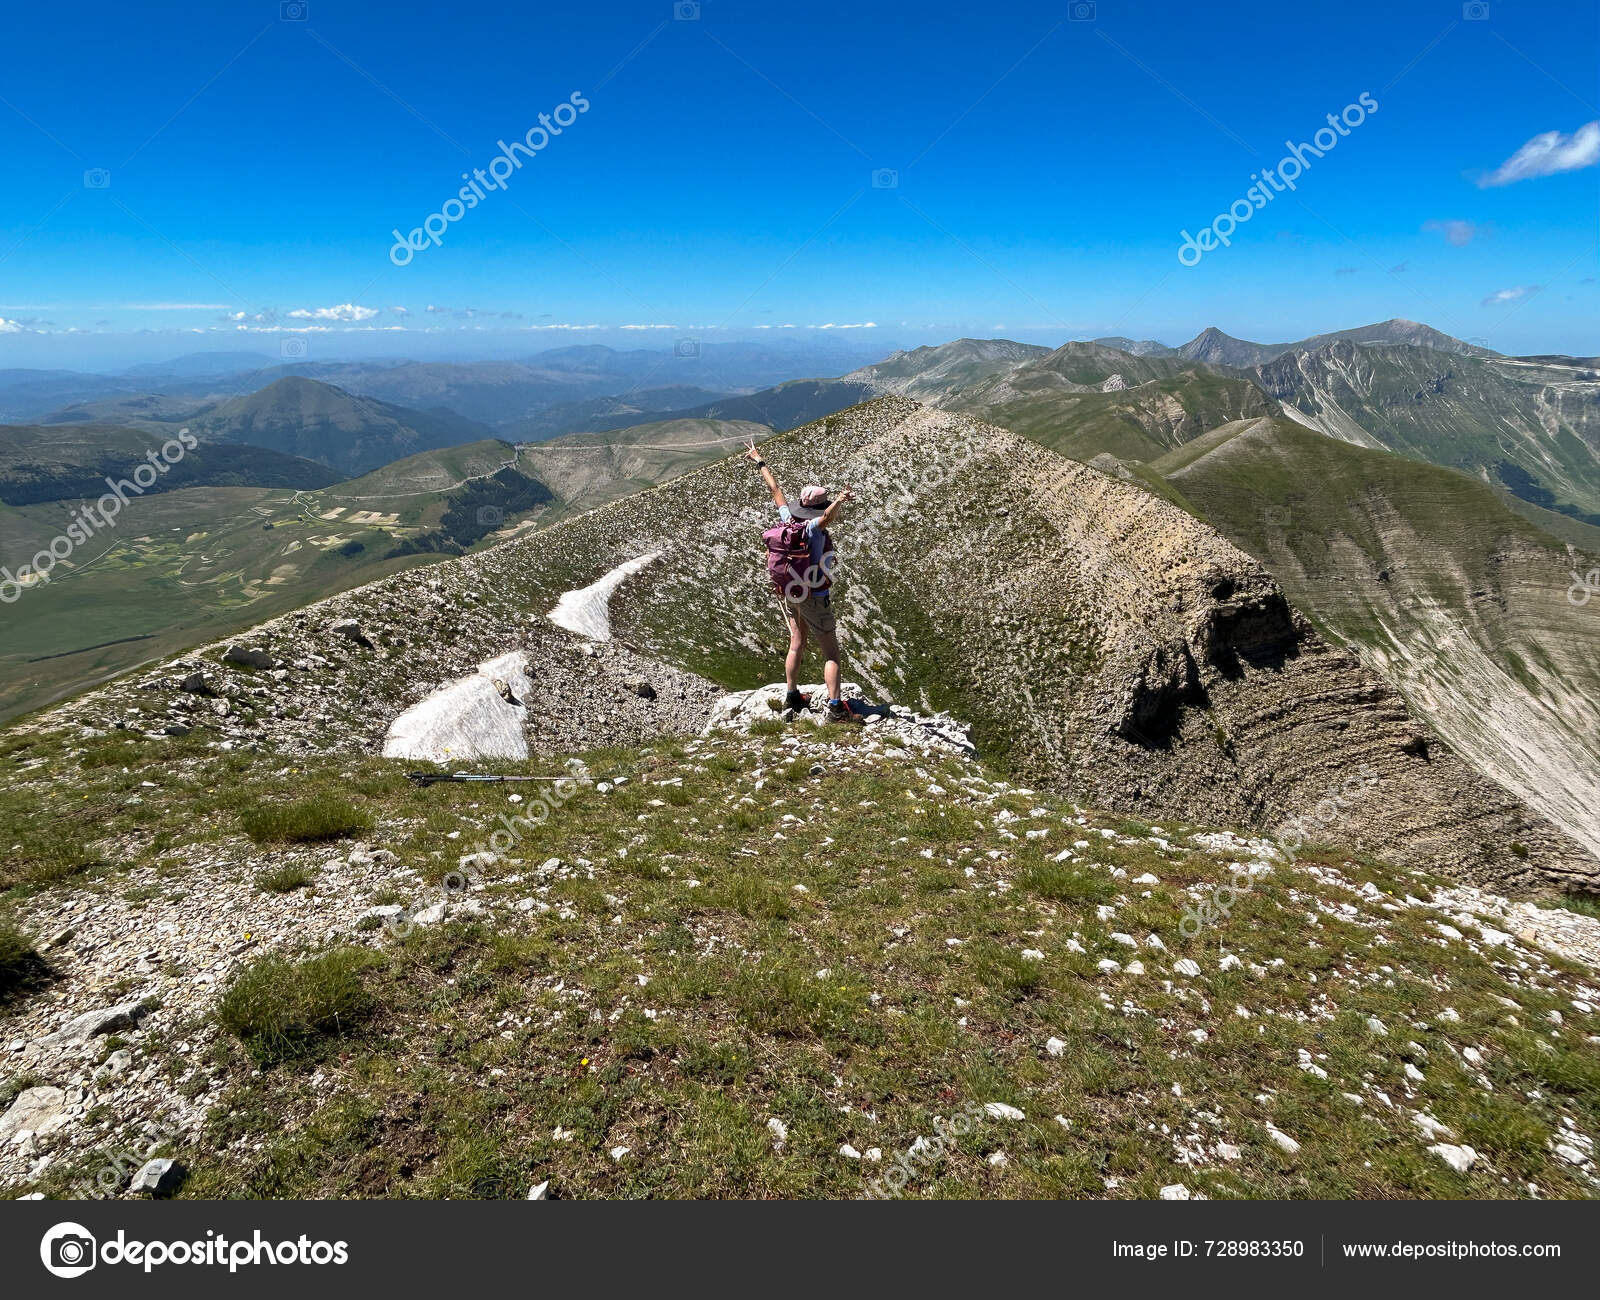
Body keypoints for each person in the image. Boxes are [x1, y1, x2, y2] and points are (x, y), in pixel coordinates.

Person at [745, 438, 857, 721]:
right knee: (831, 652)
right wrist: (840, 501)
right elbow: (827, 519)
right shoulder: (813, 528)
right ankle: (835, 709)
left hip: (790, 591)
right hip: (814, 595)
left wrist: (760, 461)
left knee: (797, 641)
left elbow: (775, 489)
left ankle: (792, 696)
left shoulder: (786, 520)